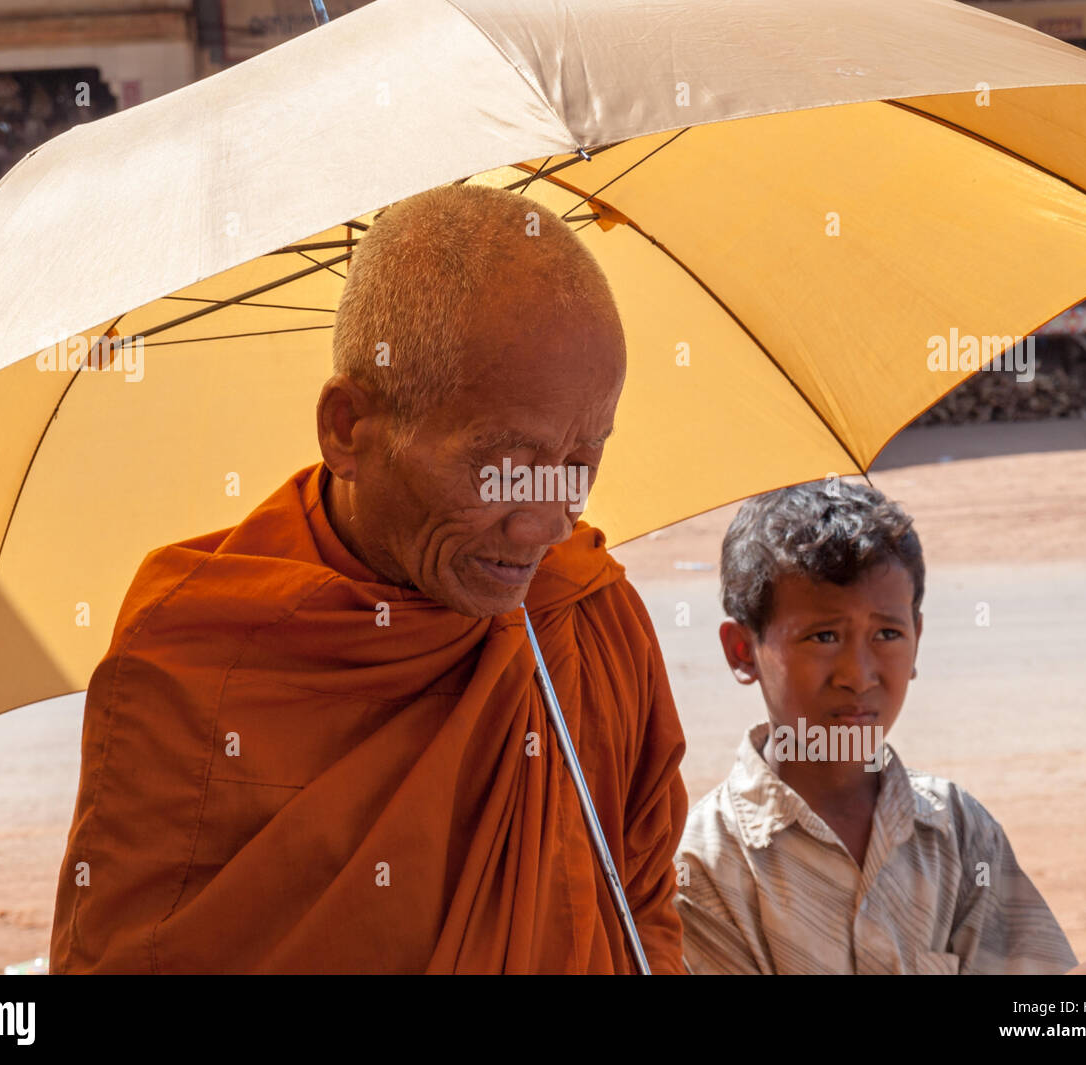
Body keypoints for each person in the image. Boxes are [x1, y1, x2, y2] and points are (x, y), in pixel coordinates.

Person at [50, 183, 688, 974]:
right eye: (501, 467)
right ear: (348, 429)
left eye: (580, 463)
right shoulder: (197, 655)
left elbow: (644, 904)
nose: (544, 524)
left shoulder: (587, 614)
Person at [673, 480, 1075, 974]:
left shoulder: (958, 831)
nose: (858, 675)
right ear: (743, 652)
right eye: (823, 636)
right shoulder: (706, 866)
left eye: (887, 633)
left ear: (917, 640)